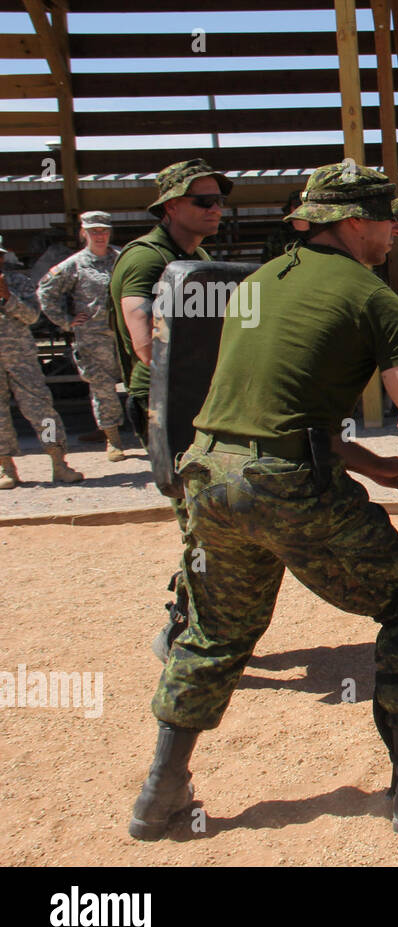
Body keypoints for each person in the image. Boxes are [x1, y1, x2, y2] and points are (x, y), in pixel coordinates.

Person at [127, 161, 398, 840]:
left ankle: (158, 798)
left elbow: (269, 406)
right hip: (283, 484)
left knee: (212, 633)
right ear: (352, 223)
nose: (392, 232)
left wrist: (369, 463)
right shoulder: (375, 299)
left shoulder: (257, 284)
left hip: (209, 474)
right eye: (386, 218)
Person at [107, 158, 232, 662]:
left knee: (211, 515)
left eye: (220, 200)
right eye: (204, 201)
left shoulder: (195, 254)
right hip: (166, 405)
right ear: (172, 205)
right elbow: (146, 345)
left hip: (198, 401)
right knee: (197, 516)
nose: (216, 209)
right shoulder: (146, 259)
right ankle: (182, 630)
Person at [37, 211, 126, 462]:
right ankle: (113, 439)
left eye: (104, 230)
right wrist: (66, 322)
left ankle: (146, 435)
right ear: (83, 233)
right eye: (94, 231)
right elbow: (45, 292)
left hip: (125, 336)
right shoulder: (74, 265)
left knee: (140, 385)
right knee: (102, 388)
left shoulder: (123, 259)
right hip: (92, 339)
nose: (100, 235)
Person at [0, 237, 84, 488]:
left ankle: (59, 463)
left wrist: (7, 297)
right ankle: (6, 469)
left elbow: (33, 316)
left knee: (42, 411)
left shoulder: (17, 282)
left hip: (21, 360)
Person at [259, 190, 309, 262]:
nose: (301, 212)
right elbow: (266, 261)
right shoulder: (279, 236)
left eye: (303, 207)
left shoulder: (320, 231)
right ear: (290, 210)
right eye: (297, 207)